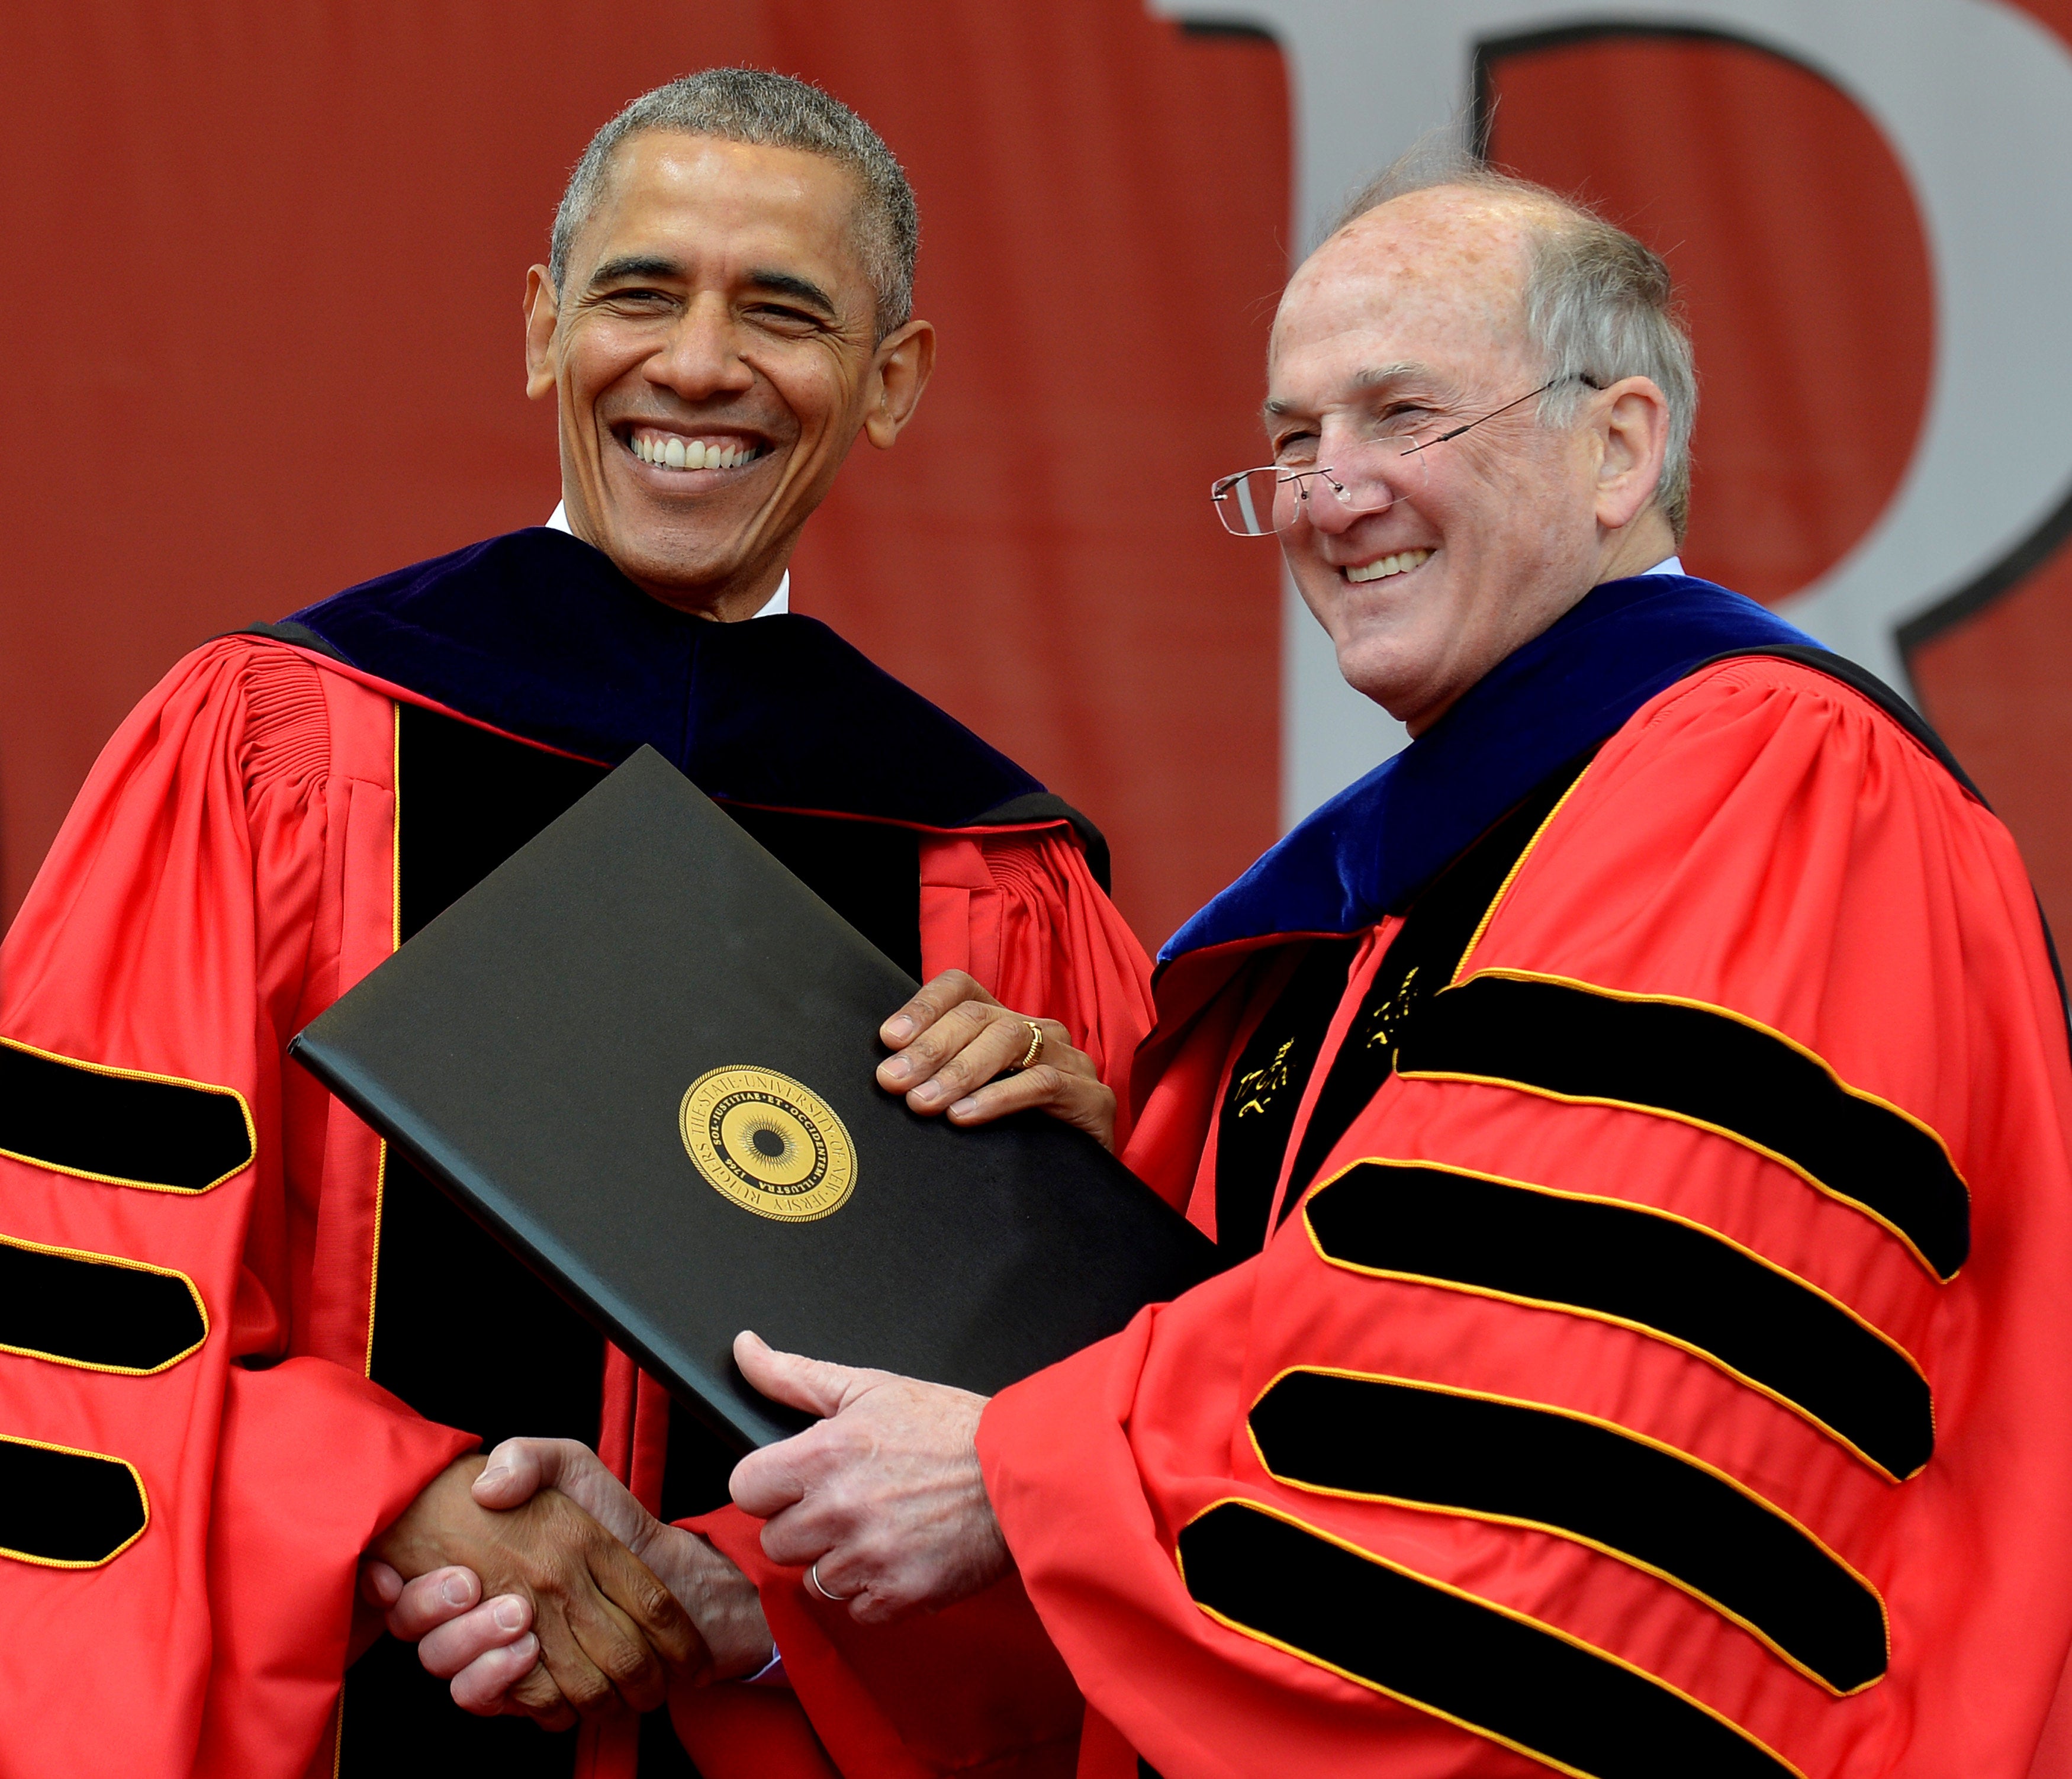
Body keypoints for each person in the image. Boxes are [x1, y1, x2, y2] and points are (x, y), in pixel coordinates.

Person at [419, 156, 2072, 1776]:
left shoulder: (1768, 781)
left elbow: (1548, 1396)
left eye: (1402, 415)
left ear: (1617, 449)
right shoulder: (1352, 926)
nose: (1325, 492)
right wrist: (757, 1593)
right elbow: (1263, 1471)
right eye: (1292, 440)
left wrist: (1018, 1467)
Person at [0, 68, 1153, 1779]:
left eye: (781, 311)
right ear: (545, 331)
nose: (694, 366)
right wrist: (393, 1500)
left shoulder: (992, 874)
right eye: (638, 292)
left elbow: (1115, 1445)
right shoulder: (272, 750)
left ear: (889, 382)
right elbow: (74, 1273)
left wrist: (1070, 1202)